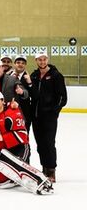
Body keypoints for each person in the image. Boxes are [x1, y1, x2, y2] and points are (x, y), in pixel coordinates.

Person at [30, 51, 67, 182]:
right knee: (40, 144)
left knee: (49, 143)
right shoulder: (34, 76)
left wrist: (54, 112)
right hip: (36, 117)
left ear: (47, 59)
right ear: (36, 61)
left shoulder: (56, 75)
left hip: (49, 117)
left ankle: (51, 170)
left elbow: (63, 97)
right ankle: (44, 168)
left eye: (44, 59)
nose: (42, 62)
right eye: (39, 59)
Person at [0, 91, 30, 187]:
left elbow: (23, 134)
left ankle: (23, 172)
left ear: (3, 101)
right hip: (1, 152)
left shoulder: (11, 113)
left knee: (13, 171)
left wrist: (3, 137)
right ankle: (13, 176)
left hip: (17, 148)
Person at [11, 54, 32, 132]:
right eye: (18, 62)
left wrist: (29, 83)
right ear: (14, 64)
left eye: (23, 63)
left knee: (25, 135)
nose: (20, 64)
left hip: (25, 112)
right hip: (11, 112)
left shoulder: (30, 77)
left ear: (25, 65)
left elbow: (33, 94)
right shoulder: (8, 76)